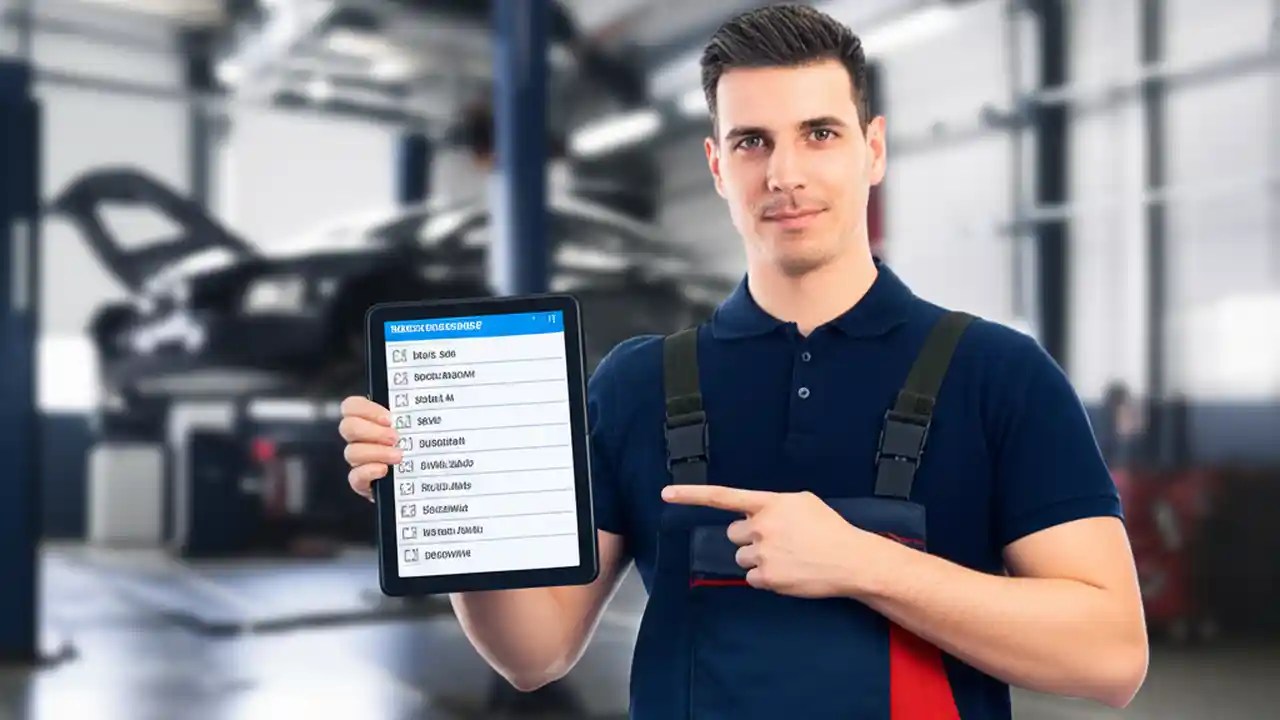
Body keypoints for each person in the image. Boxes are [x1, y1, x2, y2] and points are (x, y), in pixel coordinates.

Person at [339, 5, 1148, 718]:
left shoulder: (998, 374)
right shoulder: (636, 384)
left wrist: (863, 563)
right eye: (752, 142)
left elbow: (1111, 657)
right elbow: (534, 653)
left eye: (819, 134)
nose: (785, 175)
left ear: (873, 149)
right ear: (718, 166)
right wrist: (449, 520)